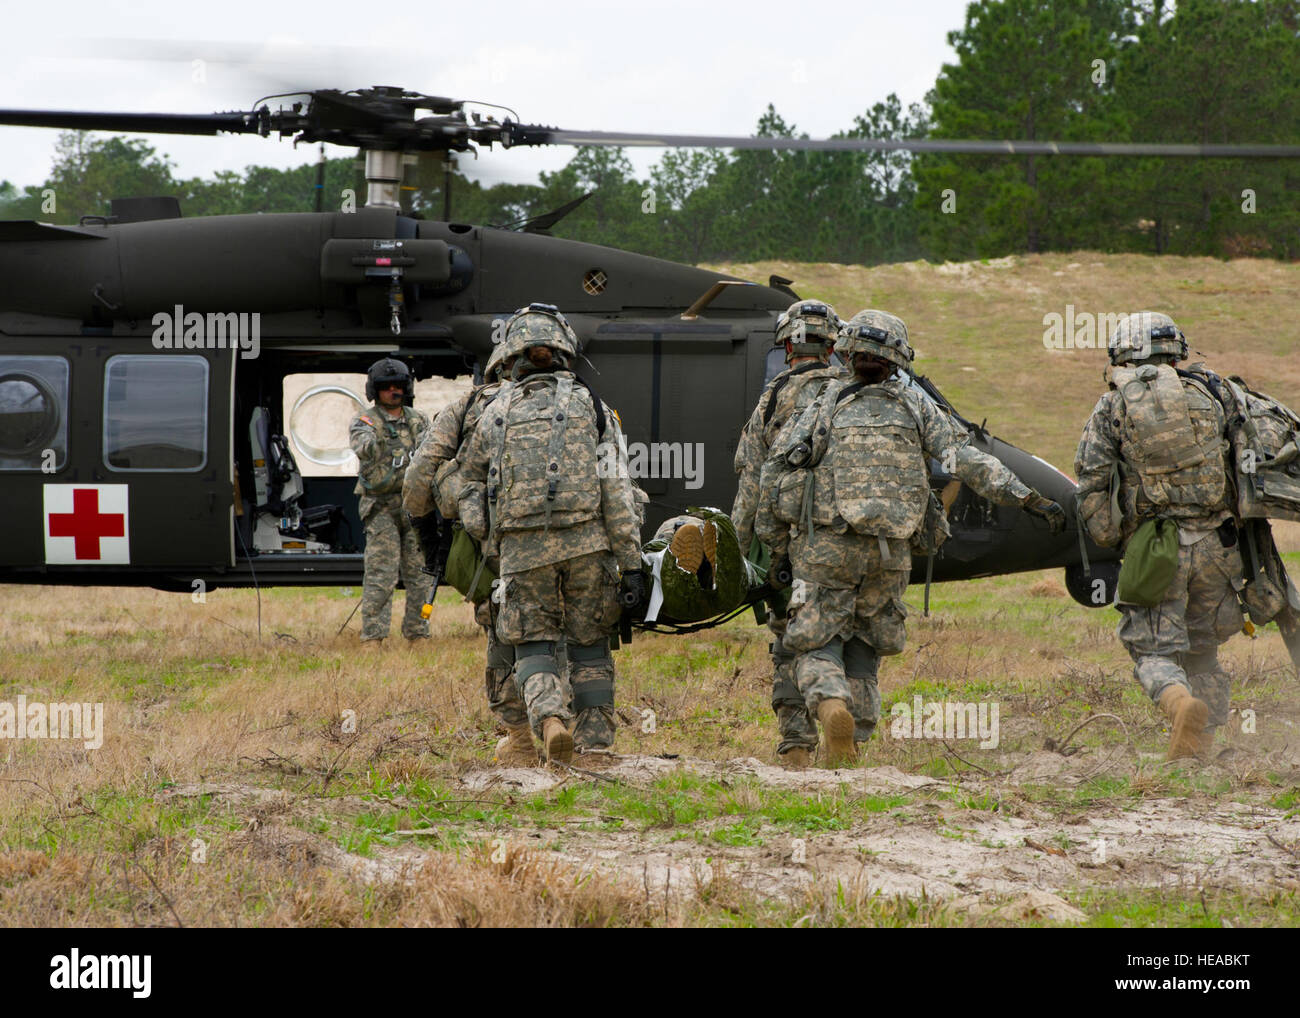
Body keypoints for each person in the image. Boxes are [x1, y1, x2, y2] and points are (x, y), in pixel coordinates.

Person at [757, 309, 1066, 766]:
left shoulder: (825, 401)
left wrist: (776, 545)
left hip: (828, 549)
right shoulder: (916, 406)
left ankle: (831, 707)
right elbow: (967, 460)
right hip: (892, 552)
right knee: (866, 646)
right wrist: (1029, 498)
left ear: (848, 352)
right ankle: (854, 743)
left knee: (814, 642)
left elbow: (776, 471)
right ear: (897, 358)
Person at [1074, 312, 1282, 759]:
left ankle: (1180, 704)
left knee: (1152, 649)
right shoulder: (1216, 394)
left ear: (1122, 355)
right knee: (1203, 647)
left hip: (1157, 548)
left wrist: (1113, 537)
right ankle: (1200, 746)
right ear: (1176, 350)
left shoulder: (1112, 406)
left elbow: (1091, 480)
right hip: (1220, 546)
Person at [455, 303, 643, 764]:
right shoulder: (593, 407)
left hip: (522, 549)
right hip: (588, 546)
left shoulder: (493, 412)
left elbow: (467, 484)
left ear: (512, 357)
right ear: (564, 353)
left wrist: (490, 538)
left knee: (532, 642)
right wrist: (631, 562)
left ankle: (550, 720)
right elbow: (616, 490)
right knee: (590, 646)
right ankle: (596, 746)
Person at [403, 345, 540, 763]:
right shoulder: (581, 401)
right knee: (566, 633)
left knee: (503, 631)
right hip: (574, 543)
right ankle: (568, 727)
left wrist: (429, 525)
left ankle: (520, 740)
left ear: (497, 368)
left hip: (499, 545)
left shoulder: (473, 405)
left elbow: (420, 474)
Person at [731, 299, 845, 768]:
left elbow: (751, 483)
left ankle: (797, 743)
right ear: (833, 345)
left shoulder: (774, 399)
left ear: (786, 346)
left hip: (790, 541)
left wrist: (739, 551)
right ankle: (847, 721)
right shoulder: (855, 393)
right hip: (849, 540)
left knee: (789, 638)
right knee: (847, 635)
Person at [350, 358, 430, 644]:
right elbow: (363, 446)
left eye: (398, 386)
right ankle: (373, 637)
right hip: (380, 506)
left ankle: (418, 633)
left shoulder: (418, 420)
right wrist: (382, 439)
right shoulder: (366, 421)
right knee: (381, 574)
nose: (393, 391)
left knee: (421, 575)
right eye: (386, 387)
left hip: (414, 506)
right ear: (376, 390)